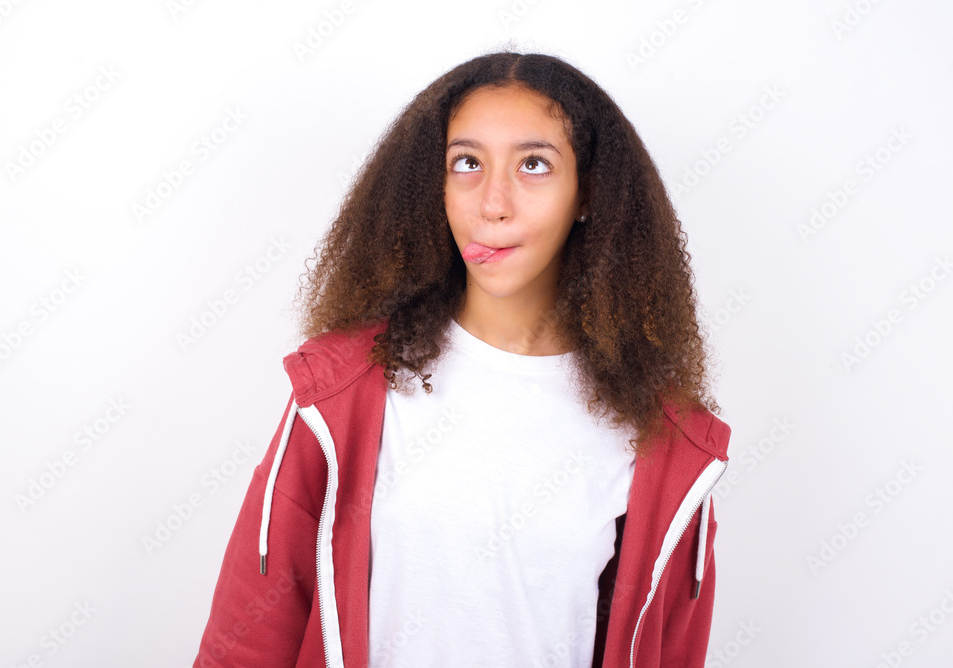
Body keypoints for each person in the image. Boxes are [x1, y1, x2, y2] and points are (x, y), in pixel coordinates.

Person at [192, 50, 731, 668]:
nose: (492, 203)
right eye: (467, 163)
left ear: (588, 195)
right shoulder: (344, 390)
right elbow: (251, 627)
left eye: (533, 165)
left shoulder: (660, 435)